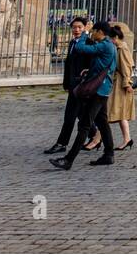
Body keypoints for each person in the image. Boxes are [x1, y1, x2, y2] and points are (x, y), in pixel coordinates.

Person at [50, 20, 118, 169]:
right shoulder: (110, 45)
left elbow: (81, 48)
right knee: (102, 122)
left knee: (84, 125)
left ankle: (69, 160)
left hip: (98, 91)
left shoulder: (104, 45)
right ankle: (109, 154)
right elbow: (108, 65)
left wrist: (84, 33)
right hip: (103, 88)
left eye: (94, 31)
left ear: (100, 32)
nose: (92, 33)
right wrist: (91, 71)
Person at [44, 17, 90, 155]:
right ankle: (97, 137)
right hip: (73, 84)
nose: (76, 30)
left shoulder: (88, 43)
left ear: (85, 28)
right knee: (83, 115)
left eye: (79, 27)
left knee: (70, 115)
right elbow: (69, 65)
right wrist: (66, 83)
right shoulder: (72, 43)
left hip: (81, 85)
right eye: (74, 27)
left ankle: (62, 143)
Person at [106, 24, 135, 150]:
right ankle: (127, 139)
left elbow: (127, 67)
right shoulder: (118, 48)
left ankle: (96, 140)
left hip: (121, 85)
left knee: (108, 112)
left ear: (116, 37)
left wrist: (127, 84)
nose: (109, 41)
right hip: (118, 83)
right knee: (120, 114)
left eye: (110, 39)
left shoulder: (122, 49)